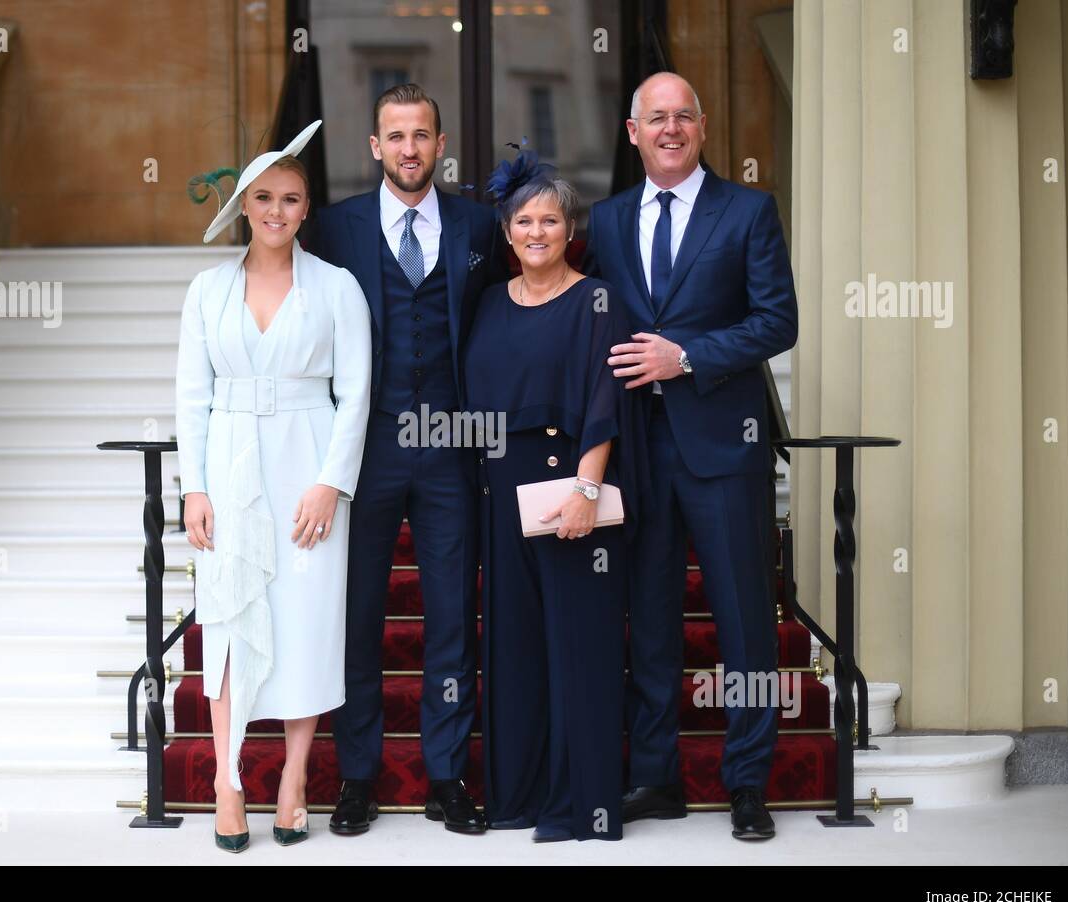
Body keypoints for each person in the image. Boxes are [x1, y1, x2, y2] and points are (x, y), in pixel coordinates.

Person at [583, 72, 798, 840]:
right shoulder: (605, 223)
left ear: (702, 129)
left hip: (726, 451)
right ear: (633, 132)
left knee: (744, 619)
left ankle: (747, 781)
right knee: (651, 620)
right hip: (639, 453)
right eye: (656, 118)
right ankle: (656, 775)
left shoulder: (748, 211)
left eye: (684, 117)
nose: (670, 129)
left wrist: (690, 357)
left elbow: (778, 321)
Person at [310, 83, 508, 835]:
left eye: (422, 135)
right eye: (395, 136)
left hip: (452, 447)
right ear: (374, 145)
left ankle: (447, 775)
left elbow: (498, 320)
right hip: (364, 449)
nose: (410, 149)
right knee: (357, 614)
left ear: (440, 141)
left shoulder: (479, 226)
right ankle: (357, 775)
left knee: (452, 616)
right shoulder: (333, 230)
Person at [175, 120, 372, 853]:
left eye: (291, 198)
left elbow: (355, 394)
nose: (277, 211)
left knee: (307, 621)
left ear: (305, 207)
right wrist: (194, 489)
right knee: (227, 621)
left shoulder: (337, 288)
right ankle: (228, 781)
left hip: (306, 464)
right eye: (264, 197)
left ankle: (291, 781)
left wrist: (330, 485)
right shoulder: (206, 290)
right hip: (227, 465)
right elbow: (191, 397)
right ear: (245, 204)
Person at [464, 151, 647, 842]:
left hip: (573, 483)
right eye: (523, 221)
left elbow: (607, 401)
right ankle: (519, 793)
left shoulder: (600, 299)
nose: (536, 231)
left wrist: (586, 486)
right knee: (514, 645)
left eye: (549, 219)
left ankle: (582, 804)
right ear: (507, 234)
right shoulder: (487, 302)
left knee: (582, 644)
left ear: (570, 229)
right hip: (502, 485)